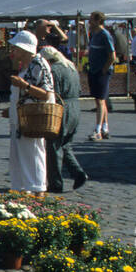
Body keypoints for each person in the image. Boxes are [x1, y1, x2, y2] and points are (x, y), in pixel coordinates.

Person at [8, 29, 55, 193]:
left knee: (34, 153)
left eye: (16, 48)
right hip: (20, 118)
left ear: (24, 49)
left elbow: (46, 93)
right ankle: (23, 189)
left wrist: (24, 86)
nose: (13, 51)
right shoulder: (25, 66)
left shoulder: (39, 64)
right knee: (19, 155)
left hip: (33, 118)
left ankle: (37, 189)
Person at [41, 44, 87, 192]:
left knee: (53, 146)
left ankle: (55, 183)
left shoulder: (54, 70)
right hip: (75, 108)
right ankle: (78, 172)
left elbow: (54, 94)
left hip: (63, 108)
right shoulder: (71, 67)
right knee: (65, 144)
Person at [85, 11, 115, 140]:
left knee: (100, 101)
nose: (89, 22)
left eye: (91, 19)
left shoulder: (105, 35)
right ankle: (105, 128)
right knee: (100, 100)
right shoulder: (94, 35)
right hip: (93, 70)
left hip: (101, 72)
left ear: (98, 21)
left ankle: (98, 130)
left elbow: (112, 56)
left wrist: (104, 69)